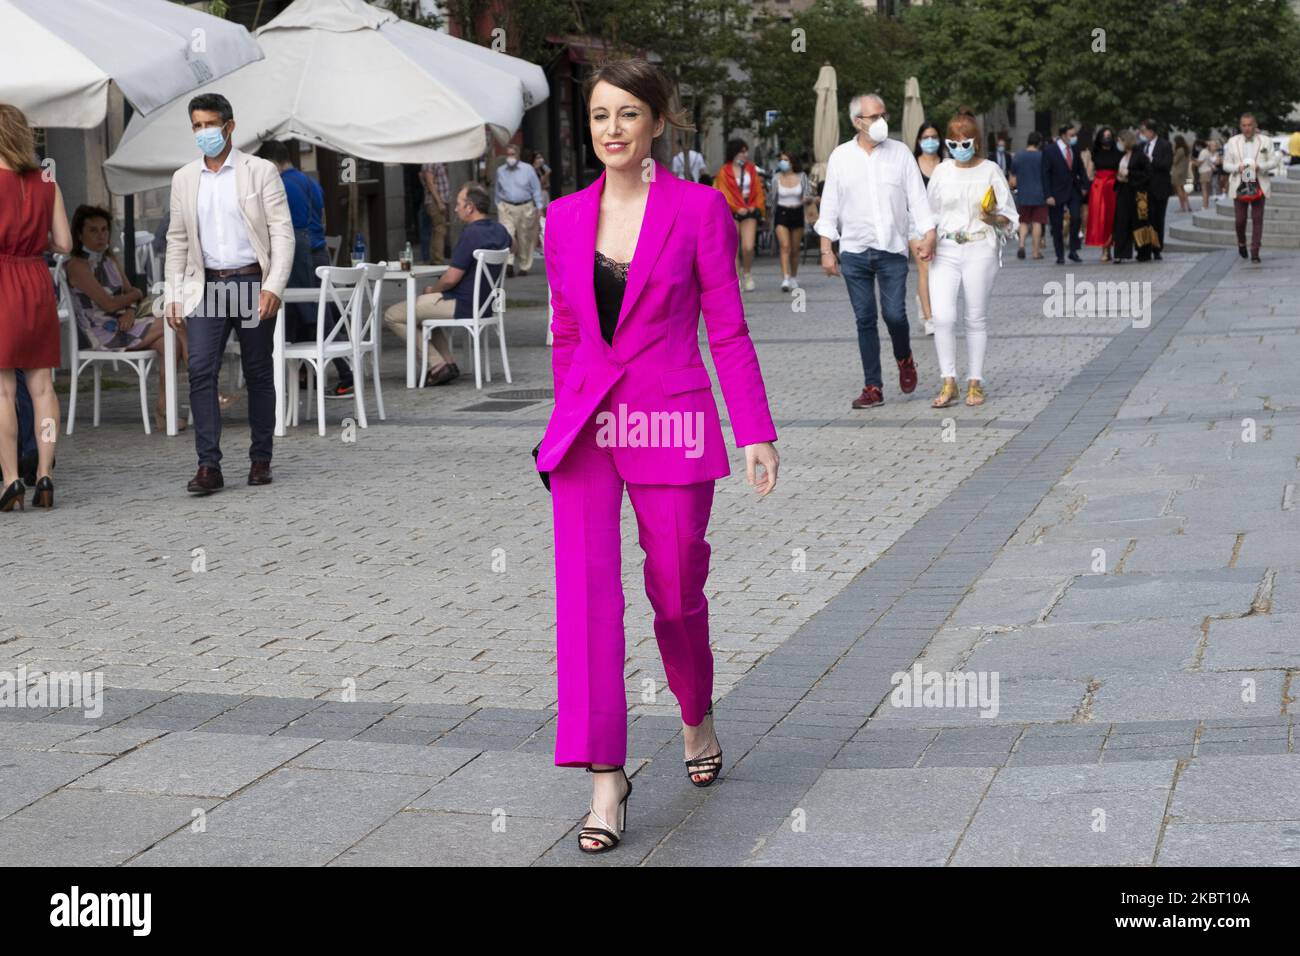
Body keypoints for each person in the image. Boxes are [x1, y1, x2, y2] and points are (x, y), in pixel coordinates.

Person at [533, 58, 779, 854]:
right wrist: (567, 414)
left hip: (669, 420)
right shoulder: (563, 217)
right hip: (587, 432)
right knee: (587, 598)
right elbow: (568, 331)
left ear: (657, 123)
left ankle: (696, 713)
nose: (612, 129)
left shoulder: (700, 209)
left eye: (628, 114)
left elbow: (728, 330)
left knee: (675, 590)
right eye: (601, 115)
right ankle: (607, 780)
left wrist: (756, 431)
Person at [164, 92, 294, 495]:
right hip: (206, 286)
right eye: (197, 126)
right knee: (201, 370)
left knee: (257, 371)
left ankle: (260, 458)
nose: (203, 132)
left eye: (209, 124)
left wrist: (273, 285)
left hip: (252, 282)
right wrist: (172, 293)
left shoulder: (260, 171)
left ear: (229, 126)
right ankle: (209, 467)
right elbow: (177, 240)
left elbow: (282, 233)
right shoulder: (184, 178)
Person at [817, 93, 937, 410]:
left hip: (892, 249)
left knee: (895, 315)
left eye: (884, 115)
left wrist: (929, 233)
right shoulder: (841, 157)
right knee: (865, 319)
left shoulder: (900, 154)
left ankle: (904, 357)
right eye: (874, 117)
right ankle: (873, 386)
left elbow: (918, 199)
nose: (882, 121)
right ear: (858, 121)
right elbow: (828, 206)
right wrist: (826, 249)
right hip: (855, 251)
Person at [0, 103, 71, 512]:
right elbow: (63, 243)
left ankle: (11, 479)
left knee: (4, 389)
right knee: (42, 387)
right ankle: (45, 472)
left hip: (2, 282)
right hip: (36, 282)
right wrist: (32, 242)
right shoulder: (47, 181)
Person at [65, 204, 188, 432]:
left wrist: (131, 309)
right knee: (173, 321)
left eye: (104, 230)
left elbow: (131, 293)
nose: (101, 236)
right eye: (93, 230)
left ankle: (164, 411)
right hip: (101, 332)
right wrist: (133, 297)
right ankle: (203, 383)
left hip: (124, 324)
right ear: (80, 234)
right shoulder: (77, 266)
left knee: (167, 342)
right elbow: (109, 303)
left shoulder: (109, 260)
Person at [925, 109, 1018, 410]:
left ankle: (975, 381)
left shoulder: (991, 170)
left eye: (965, 142)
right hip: (946, 247)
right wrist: (924, 239)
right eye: (953, 142)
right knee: (942, 316)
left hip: (979, 247)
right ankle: (948, 378)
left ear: (976, 142)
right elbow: (927, 212)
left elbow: (1010, 217)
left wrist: (992, 216)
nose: (959, 148)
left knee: (974, 317)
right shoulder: (941, 171)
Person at [382, 182, 510, 386]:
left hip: (461, 304)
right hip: (485, 305)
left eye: (459, 203)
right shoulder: (501, 231)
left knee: (393, 315)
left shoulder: (471, 234)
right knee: (420, 311)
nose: (456, 208)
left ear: (470, 207)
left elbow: (451, 279)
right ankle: (448, 364)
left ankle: (437, 364)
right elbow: (515, 248)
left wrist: (433, 290)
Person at [257, 140, 353, 397]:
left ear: (270, 163)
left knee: (313, 315)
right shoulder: (310, 182)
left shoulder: (282, 185)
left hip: (302, 255)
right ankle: (305, 373)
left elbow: (287, 229)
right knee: (320, 314)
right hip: (319, 252)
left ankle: (344, 373)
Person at [1223, 112, 1281, 263]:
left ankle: (1255, 251)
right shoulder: (1233, 142)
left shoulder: (1266, 141)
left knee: (1257, 219)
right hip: (1239, 185)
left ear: (1255, 125)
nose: (1247, 128)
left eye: (1249, 125)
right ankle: (1241, 242)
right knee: (1240, 221)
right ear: (1240, 126)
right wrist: (1238, 167)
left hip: (1259, 184)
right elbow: (1225, 165)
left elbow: (1274, 162)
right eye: (1244, 125)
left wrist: (1260, 166)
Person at [713, 138, 765, 291]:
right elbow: (722, 193)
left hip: (749, 210)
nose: (745, 154)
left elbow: (758, 190)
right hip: (730, 212)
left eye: (746, 151)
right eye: (742, 151)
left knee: (748, 246)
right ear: (734, 152)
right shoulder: (724, 171)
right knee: (732, 247)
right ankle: (735, 276)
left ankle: (747, 272)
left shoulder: (751, 169)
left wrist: (754, 206)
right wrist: (736, 208)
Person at [913, 122, 944, 333]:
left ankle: (923, 304)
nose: (930, 141)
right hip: (914, 223)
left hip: (942, 223)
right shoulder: (912, 164)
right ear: (919, 141)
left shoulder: (947, 164)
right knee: (925, 267)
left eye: (934, 136)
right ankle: (930, 318)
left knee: (938, 271)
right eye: (926, 137)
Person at [494, 143, 543, 277]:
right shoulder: (500, 171)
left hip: (525, 207)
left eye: (512, 154)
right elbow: (497, 191)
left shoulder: (528, 169)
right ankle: (509, 264)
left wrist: (539, 207)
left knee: (524, 238)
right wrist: (498, 204)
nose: (510, 157)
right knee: (507, 235)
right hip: (506, 207)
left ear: (518, 155)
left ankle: (524, 265)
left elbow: (536, 189)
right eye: (508, 154)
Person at [1043, 122, 1089, 264]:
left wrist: (1084, 185)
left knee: (1076, 218)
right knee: (1057, 225)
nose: (1074, 138)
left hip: (1073, 190)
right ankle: (1060, 254)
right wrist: (1048, 195)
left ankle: (1073, 250)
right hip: (1056, 192)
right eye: (1071, 135)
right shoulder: (1050, 150)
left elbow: (1080, 168)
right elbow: (1045, 174)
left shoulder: (1074, 148)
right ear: (1063, 136)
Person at [1111, 129, 1158, 263]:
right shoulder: (1122, 156)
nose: (1118, 144)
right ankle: (1121, 253)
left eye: (1120, 141)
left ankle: (1143, 252)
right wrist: (1119, 178)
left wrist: (1130, 174)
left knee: (1140, 222)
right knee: (1121, 222)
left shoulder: (1139, 156)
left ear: (1126, 141)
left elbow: (1148, 173)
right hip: (1123, 192)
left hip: (1138, 194)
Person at [771, 151, 815, 292]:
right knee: (785, 246)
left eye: (786, 160)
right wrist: (769, 216)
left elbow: (808, 194)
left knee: (795, 249)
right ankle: (785, 277)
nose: (783, 162)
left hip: (797, 213)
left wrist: (807, 199)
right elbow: (772, 199)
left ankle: (794, 276)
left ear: (792, 162)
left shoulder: (802, 177)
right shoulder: (776, 178)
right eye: (781, 160)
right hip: (781, 213)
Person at [1084, 127, 1122, 261]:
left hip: (1113, 188)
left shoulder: (1118, 153)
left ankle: (1115, 248)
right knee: (1102, 219)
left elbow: (1121, 171)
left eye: (1109, 136)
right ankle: (1105, 250)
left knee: (1113, 219)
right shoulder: (1095, 153)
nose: (1107, 138)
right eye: (1105, 136)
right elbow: (1089, 173)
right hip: (1099, 189)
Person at [1011, 130, 1050, 260]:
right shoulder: (1042, 156)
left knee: (1023, 221)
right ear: (1039, 143)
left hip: (1023, 194)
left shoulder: (1018, 156)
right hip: (1039, 194)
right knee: (1037, 222)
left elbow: (1012, 180)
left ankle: (1021, 245)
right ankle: (1035, 252)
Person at [1137, 119, 1171, 260]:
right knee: (1144, 219)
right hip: (1143, 188)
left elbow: (1166, 164)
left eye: (1143, 131)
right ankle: (1144, 249)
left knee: (1157, 220)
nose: (1141, 134)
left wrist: (1151, 159)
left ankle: (1157, 248)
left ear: (1151, 131)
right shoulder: (1140, 146)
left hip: (1159, 188)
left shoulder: (1165, 145)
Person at [419, 161, 450, 264]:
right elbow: (429, 182)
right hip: (435, 201)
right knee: (439, 229)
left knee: (437, 229)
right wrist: (439, 202)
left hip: (439, 200)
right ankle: (438, 260)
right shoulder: (430, 162)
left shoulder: (437, 161)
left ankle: (434, 259)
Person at [1171, 134, 1192, 213]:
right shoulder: (1186, 149)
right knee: (1184, 190)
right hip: (1184, 171)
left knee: (1179, 190)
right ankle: (1188, 206)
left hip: (1177, 171)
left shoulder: (1179, 150)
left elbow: (1174, 161)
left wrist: (1173, 152)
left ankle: (1182, 207)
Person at [1196, 138, 1217, 208]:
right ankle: (1206, 205)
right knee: (1207, 190)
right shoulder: (1208, 152)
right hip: (1208, 171)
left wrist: (1193, 162)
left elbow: (1199, 162)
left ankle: (1204, 206)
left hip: (1204, 171)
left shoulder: (1203, 152)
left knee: (1204, 190)